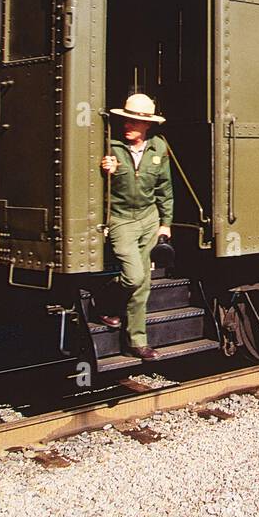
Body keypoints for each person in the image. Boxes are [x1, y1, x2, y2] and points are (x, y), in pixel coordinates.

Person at [98, 93, 173, 360]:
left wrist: (165, 224)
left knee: (144, 284)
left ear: (147, 125)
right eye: (125, 121)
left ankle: (138, 341)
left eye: (134, 122)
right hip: (121, 220)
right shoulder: (109, 146)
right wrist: (102, 169)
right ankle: (104, 298)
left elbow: (165, 189)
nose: (127, 125)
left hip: (148, 219)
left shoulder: (159, 148)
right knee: (133, 276)